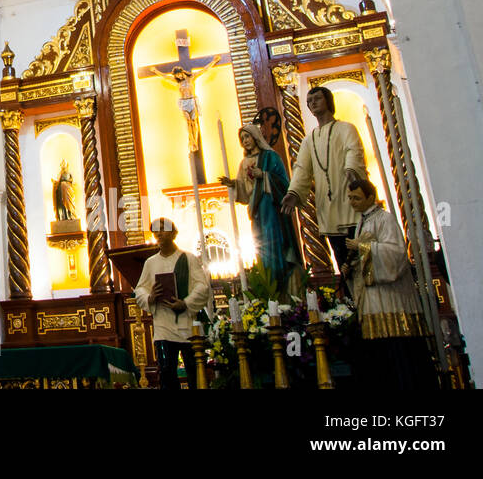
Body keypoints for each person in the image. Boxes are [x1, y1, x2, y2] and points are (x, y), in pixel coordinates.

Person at [344, 175, 438, 389]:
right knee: (382, 356)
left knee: (401, 355)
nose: (352, 202)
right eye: (350, 198)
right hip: (373, 299)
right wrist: (350, 269)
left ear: (370, 197)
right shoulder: (362, 222)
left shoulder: (385, 219)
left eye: (357, 198)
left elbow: (396, 254)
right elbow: (365, 259)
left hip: (392, 299)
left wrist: (362, 247)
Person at [281, 86, 367, 271]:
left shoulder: (346, 128)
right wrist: (293, 192)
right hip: (327, 208)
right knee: (343, 263)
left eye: (317, 99)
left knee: (362, 262)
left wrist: (351, 169)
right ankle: (352, 297)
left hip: (349, 201)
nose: (313, 104)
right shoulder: (309, 139)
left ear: (328, 101)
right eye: (309, 101)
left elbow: (353, 150)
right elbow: (302, 168)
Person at [133, 219, 210, 390]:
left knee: (194, 371)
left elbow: (202, 286)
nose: (159, 234)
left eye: (163, 229)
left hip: (188, 326)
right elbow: (139, 290)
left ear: (174, 233)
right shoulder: (151, 263)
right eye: (156, 231)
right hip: (163, 327)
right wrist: (150, 297)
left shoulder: (188, 258)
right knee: (167, 372)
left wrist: (186, 303)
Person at [222, 124, 299, 288]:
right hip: (256, 208)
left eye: (247, 137)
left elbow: (285, 184)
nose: (245, 141)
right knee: (260, 243)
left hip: (270, 207)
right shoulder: (244, 163)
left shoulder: (271, 157)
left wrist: (264, 175)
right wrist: (233, 184)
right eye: (242, 139)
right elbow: (244, 188)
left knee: (273, 241)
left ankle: (282, 280)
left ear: (256, 136)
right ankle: (269, 284)